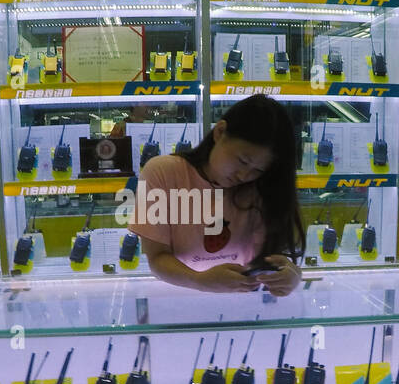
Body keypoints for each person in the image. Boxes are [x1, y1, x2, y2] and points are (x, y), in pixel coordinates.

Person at [130, 94, 304, 295]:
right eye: (243, 161)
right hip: (175, 298)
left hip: (243, 304)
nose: (244, 175)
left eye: (258, 170)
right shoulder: (161, 172)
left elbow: (272, 258)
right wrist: (200, 280)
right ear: (220, 132)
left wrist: (290, 274)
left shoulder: (262, 187)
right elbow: (157, 257)